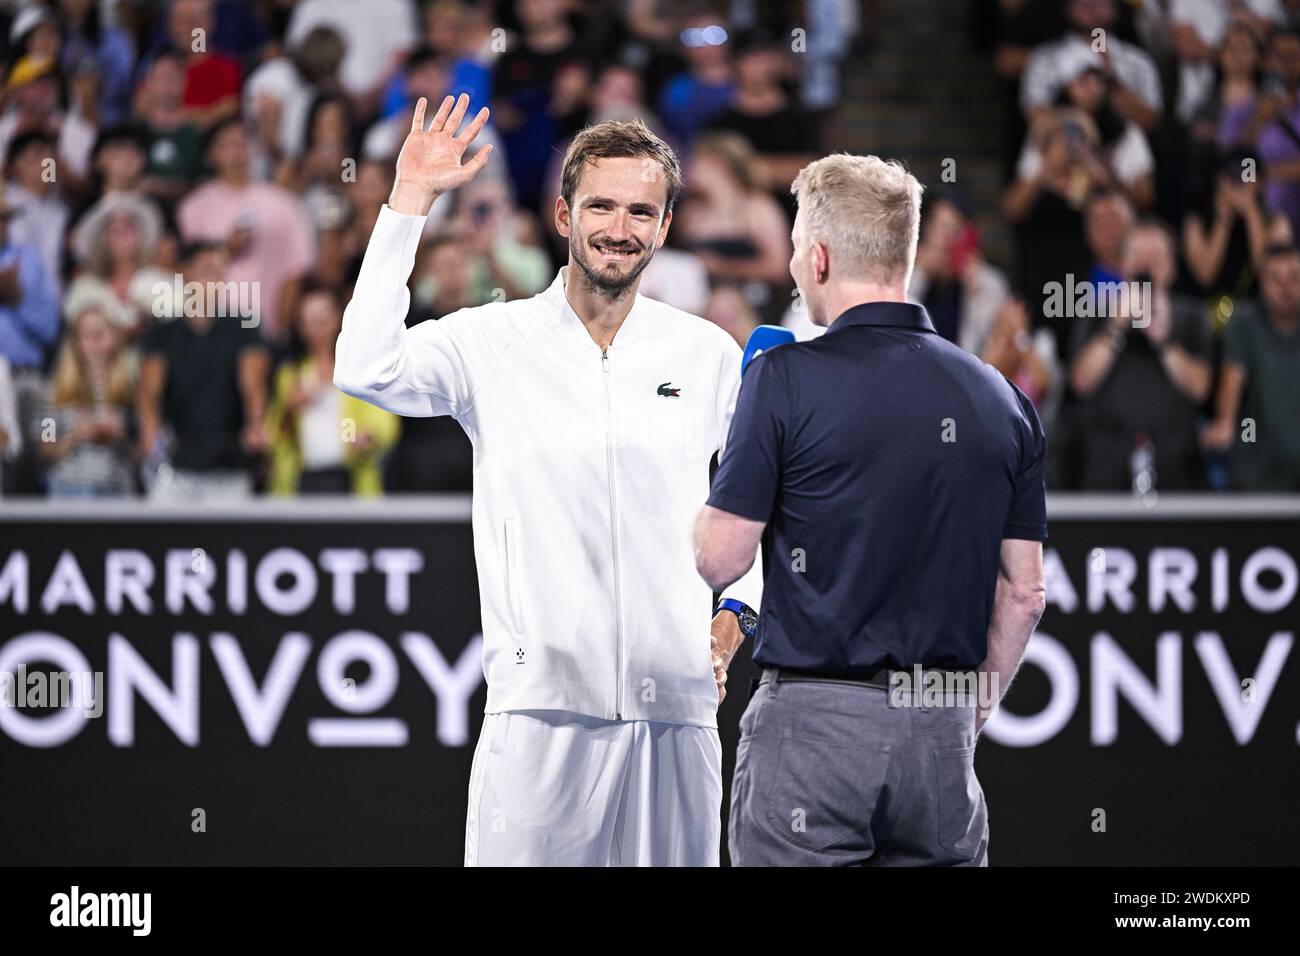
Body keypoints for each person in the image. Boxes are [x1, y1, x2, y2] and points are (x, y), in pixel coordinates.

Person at [334, 94, 762, 866]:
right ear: (563, 215)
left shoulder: (706, 356)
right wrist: (409, 203)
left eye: (641, 211)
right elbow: (363, 365)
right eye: (600, 205)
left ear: (666, 228)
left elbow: (752, 513)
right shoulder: (490, 340)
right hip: (538, 718)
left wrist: (736, 619)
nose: (619, 229)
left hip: (678, 717)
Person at [693, 153, 1047, 866]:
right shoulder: (1001, 398)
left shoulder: (781, 377)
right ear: (906, 258)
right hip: (941, 740)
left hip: (811, 736)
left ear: (817, 257)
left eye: (795, 248)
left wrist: (721, 473)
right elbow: (1025, 592)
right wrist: (968, 711)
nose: (793, 266)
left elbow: (722, 558)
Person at [136, 241, 271, 502]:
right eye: (206, 271)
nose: (215, 280)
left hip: (229, 464)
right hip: (175, 467)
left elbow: (253, 383)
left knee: (231, 540)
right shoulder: (161, 334)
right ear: (185, 275)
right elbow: (148, 391)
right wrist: (150, 430)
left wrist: (256, 424)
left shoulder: (243, 328)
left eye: (219, 272)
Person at [265, 284, 400, 495]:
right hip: (303, 478)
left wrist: (368, 436)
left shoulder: (357, 371)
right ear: (300, 326)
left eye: (322, 318)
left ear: (337, 318)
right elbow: (275, 439)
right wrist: (290, 408)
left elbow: (384, 423)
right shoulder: (291, 376)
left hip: (350, 476)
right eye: (309, 321)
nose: (316, 328)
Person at [1204, 243, 1300, 489]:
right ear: (1261, 282)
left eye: (1293, 278)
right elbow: (1233, 376)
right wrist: (1225, 421)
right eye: (1274, 279)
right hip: (1257, 451)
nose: (1284, 288)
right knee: (1248, 434)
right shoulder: (1245, 322)